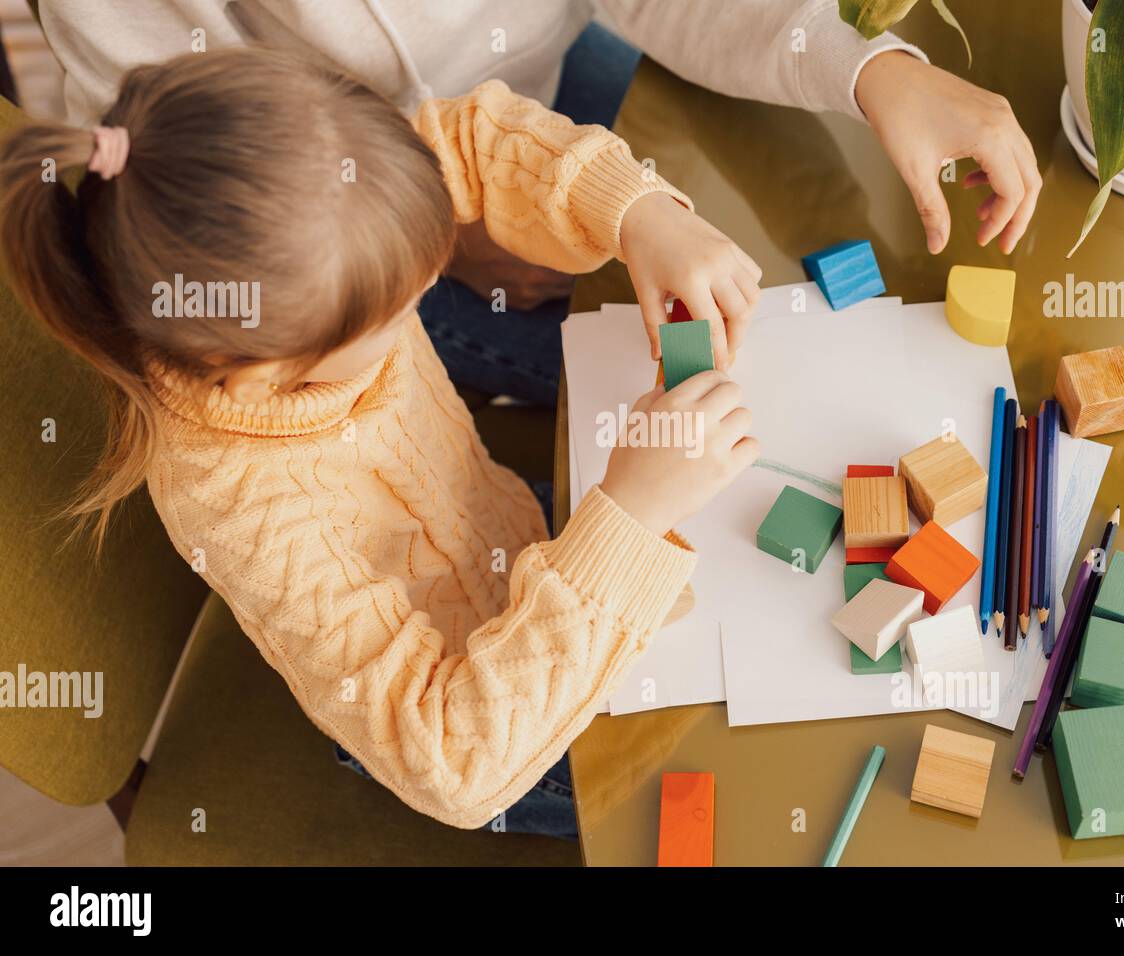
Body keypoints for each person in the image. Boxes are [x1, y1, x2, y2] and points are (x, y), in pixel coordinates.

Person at [0, 47, 762, 837]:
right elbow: (456, 767)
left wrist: (638, 212)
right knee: (740, 790)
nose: (431, 308)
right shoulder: (251, 512)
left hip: (513, 540)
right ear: (266, 378)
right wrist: (631, 514)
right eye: (403, 311)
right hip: (479, 721)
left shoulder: (334, 201)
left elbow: (472, 137)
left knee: (749, 613)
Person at [38, 0, 1041, 405]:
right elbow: (168, 200)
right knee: (754, 378)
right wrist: (436, 223)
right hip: (341, 255)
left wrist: (869, 68)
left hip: (528, 105)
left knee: (776, 296)